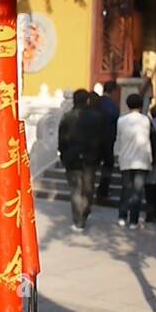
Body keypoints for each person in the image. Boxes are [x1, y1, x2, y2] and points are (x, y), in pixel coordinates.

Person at [58, 89, 106, 232]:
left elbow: (61, 140)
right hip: (90, 158)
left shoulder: (67, 117)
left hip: (72, 158)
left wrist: (63, 154)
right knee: (88, 188)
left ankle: (78, 220)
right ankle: (83, 213)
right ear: (87, 100)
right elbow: (102, 139)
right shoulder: (97, 117)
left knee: (76, 190)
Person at [115, 93, 152, 229]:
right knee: (137, 191)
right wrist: (151, 159)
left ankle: (122, 216)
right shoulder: (145, 120)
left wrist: (118, 155)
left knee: (126, 189)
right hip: (141, 159)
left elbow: (119, 139)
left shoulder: (121, 120)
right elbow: (147, 140)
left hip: (126, 158)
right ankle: (133, 221)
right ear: (140, 105)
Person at [96, 80, 119, 200]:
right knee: (108, 165)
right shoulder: (112, 106)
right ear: (113, 91)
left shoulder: (96, 103)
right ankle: (103, 190)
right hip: (107, 140)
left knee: (92, 165)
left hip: (94, 140)